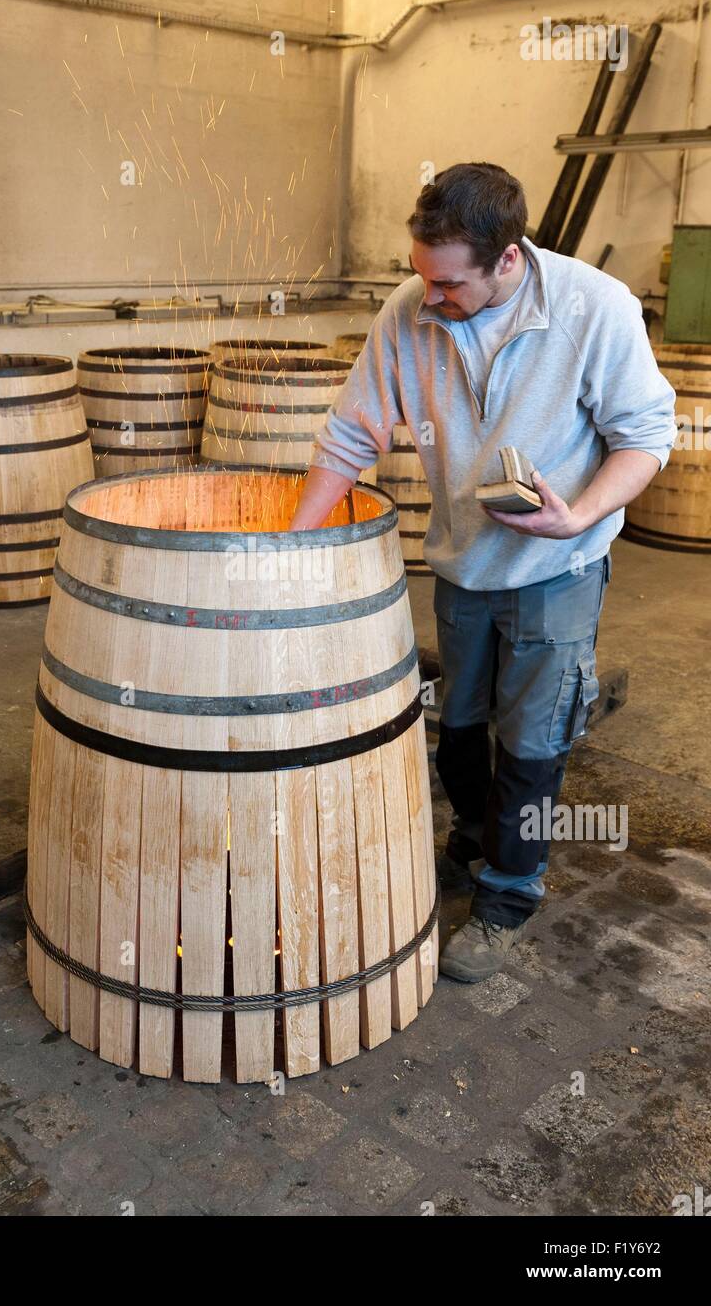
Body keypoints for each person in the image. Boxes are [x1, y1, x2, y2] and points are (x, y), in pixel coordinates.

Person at [289, 161, 676, 982]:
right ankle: (471, 840)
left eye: (450, 283)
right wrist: (289, 547)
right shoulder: (413, 307)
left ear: (508, 259)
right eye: (422, 277)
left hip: (558, 568)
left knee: (531, 743)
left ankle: (507, 898)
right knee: (460, 730)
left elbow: (645, 435)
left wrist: (576, 516)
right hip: (463, 566)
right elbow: (353, 432)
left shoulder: (593, 307)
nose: (430, 297)